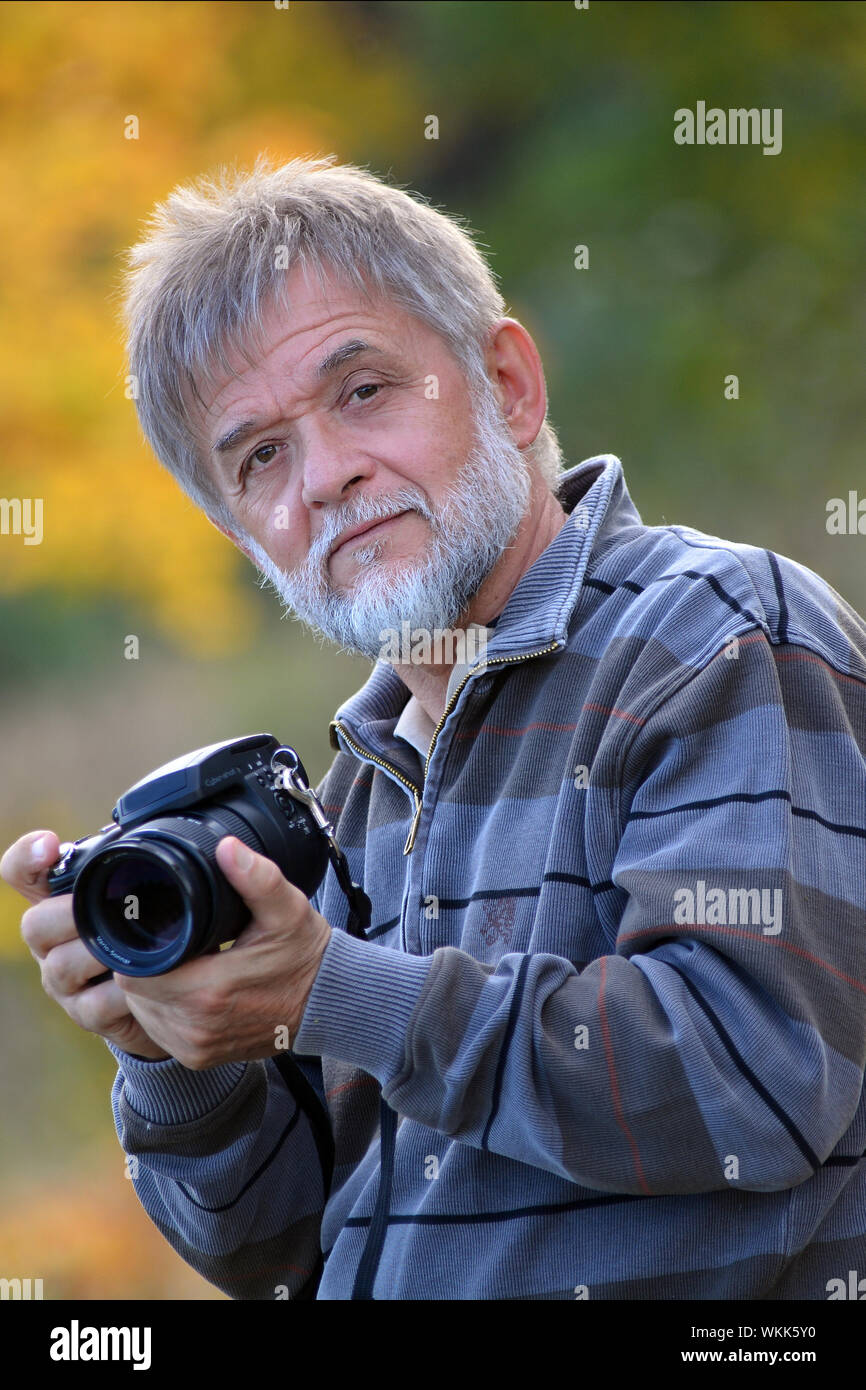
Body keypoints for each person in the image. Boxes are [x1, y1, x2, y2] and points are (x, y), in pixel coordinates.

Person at [3, 155, 865, 1301]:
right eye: (259, 456)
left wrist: (333, 994)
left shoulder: (709, 634)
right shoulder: (349, 793)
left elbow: (751, 1083)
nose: (324, 475)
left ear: (506, 383)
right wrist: (170, 1048)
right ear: (244, 535)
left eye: (362, 390)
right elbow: (274, 1253)